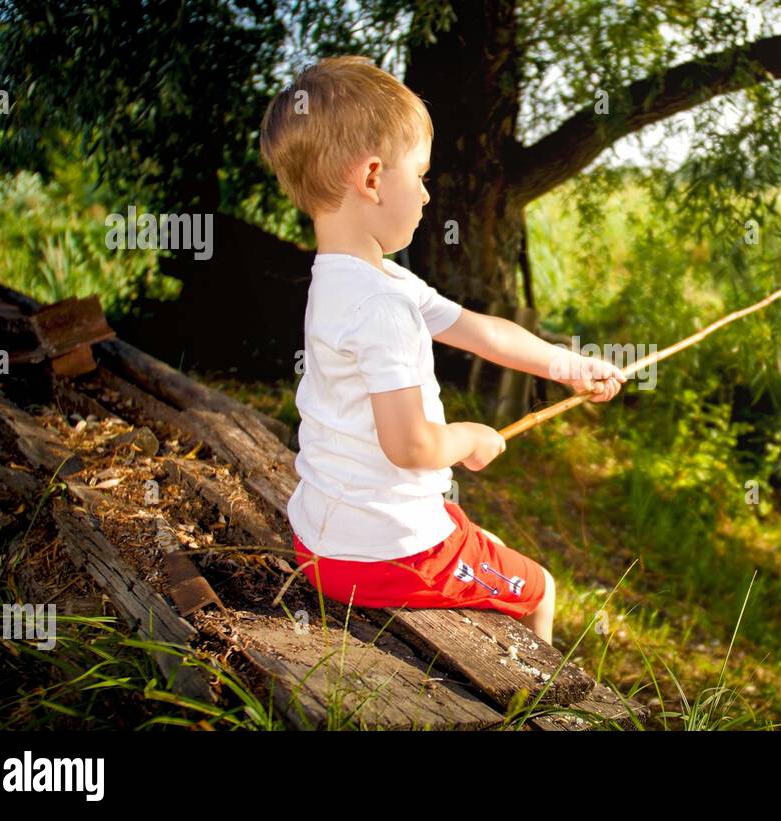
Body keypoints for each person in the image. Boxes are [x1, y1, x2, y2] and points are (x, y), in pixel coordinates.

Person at [259, 56, 625, 646]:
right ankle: (537, 706)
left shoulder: (345, 280)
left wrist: (569, 366)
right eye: (421, 175)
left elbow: (482, 332)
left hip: (321, 537)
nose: (428, 196)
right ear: (374, 178)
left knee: (493, 547)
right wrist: (472, 438)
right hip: (382, 555)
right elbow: (410, 445)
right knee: (541, 588)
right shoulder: (383, 305)